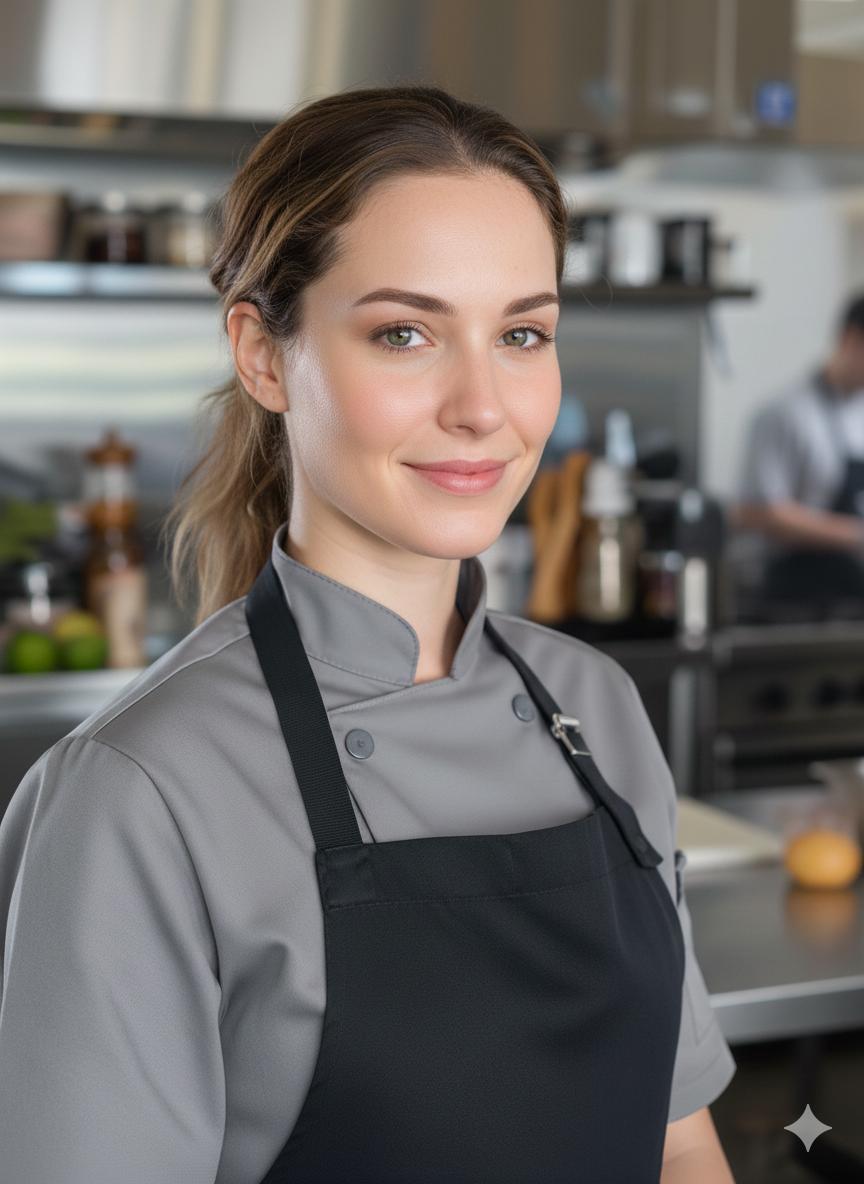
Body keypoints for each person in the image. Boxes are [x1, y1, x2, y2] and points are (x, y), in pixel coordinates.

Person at [0, 87, 735, 1183]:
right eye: (405, 333)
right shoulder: (138, 791)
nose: (483, 406)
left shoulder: (594, 705)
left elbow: (678, 1141)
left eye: (522, 334)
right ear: (262, 354)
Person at [737, 294, 864, 610]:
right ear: (851, 339)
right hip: (795, 599)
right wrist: (856, 535)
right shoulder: (785, 414)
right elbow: (755, 513)